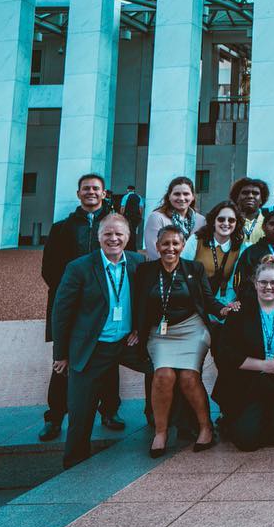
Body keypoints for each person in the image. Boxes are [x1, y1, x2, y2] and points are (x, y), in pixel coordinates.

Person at [50, 213, 142, 468]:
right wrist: (61, 354)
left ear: (128, 237)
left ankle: (165, 429)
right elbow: (62, 313)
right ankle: (75, 462)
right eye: (107, 234)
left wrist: (138, 328)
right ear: (99, 237)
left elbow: (146, 300)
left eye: (119, 234)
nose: (113, 239)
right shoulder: (79, 267)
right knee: (81, 410)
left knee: (165, 370)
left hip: (126, 343)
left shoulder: (137, 263)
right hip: (93, 346)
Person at [135, 225, 231, 456]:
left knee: (189, 377)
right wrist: (135, 330)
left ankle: (206, 427)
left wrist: (223, 310)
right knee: (163, 375)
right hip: (160, 333)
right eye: (165, 243)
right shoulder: (145, 270)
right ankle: (161, 432)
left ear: (182, 245)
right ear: (157, 246)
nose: (170, 248)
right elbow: (137, 303)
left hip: (192, 329)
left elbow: (208, 300)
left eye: (175, 243)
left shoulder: (194, 268)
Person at [39, 173, 120, 442]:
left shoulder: (115, 225)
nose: (91, 192)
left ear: (104, 193)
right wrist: (70, 294)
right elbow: (50, 268)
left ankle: (109, 410)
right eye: (86, 189)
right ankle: (55, 416)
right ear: (78, 194)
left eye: (96, 189)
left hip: (107, 303)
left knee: (108, 359)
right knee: (63, 360)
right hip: (72, 306)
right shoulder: (62, 228)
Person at [216, 259, 274, 450]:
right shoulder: (239, 311)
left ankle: (271, 418)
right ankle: (244, 420)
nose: (268, 287)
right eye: (263, 282)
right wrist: (261, 365)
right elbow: (225, 352)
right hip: (248, 383)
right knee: (246, 441)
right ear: (255, 283)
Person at [185, 200, 244, 313]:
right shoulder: (196, 240)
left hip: (221, 302)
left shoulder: (239, 247)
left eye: (231, 220)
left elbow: (233, 282)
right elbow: (182, 269)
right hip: (193, 300)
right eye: (221, 219)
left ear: (237, 223)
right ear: (213, 221)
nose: (226, 223)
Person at [143, 177, 205, 262]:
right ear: (169, 196)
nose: (181, 198)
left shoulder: (201, 220)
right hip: (164, 267)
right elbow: (154, 252)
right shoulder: (157, 218)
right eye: (177, 194)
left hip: (194, 268)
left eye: (186, 194)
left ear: (193, 196)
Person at [229, 177, 270, 248]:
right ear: (236, 197)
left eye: (255, 193)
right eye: (245, 193)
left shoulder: (270, 224)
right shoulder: (227, 223)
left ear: (261, 199)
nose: (250, 196)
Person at [119, 184, 143, 250]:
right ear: (134, 190)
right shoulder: (139, 197)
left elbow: (122, 207)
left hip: (127, 217)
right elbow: (141, 208)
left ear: (128, 190)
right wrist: (140, 216)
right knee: (134, 231)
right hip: (136, 217)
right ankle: (133, 247)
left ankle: (127, 247)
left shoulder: (125, 197)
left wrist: (121, 216)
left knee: (127, 231)